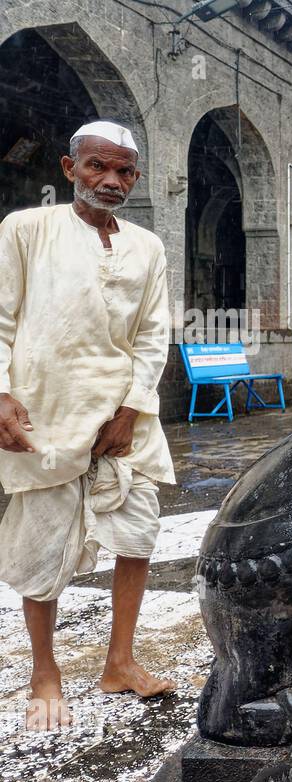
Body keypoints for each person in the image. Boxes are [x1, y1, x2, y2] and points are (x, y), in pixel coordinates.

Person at [0, 121, 176, 732]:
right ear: (69, 168)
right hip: (43, 411)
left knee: (136, 535)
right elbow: (0, 316)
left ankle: (119, 662)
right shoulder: (25, 229)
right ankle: (44, 671)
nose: (112, 181)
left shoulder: (148, 248)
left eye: (125, 171)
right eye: (99, 167)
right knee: (43, 542)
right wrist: (1, 393)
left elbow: (154, 336)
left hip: (124, 416)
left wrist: (132, 407)